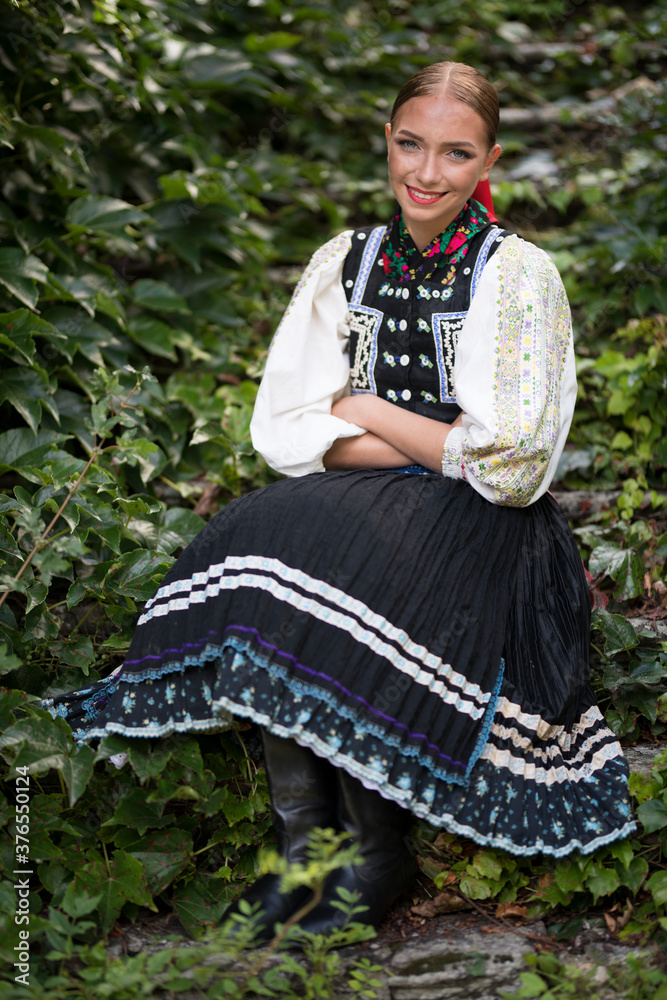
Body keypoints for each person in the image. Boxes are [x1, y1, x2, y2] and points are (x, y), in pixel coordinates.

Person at [44, 61, 635, 943]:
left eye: (455, 152)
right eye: (409, 144)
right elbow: (284, 431)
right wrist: (421, 441)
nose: (426, 173)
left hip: (487, 526)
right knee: (257, 530)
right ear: (386, 141)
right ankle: (302, 848)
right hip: (372, 490)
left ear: (489, 162)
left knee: (354, 564)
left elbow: (511, 467)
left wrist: (361, 411)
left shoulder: (515, 276)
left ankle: (372, 853)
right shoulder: (345, 261)